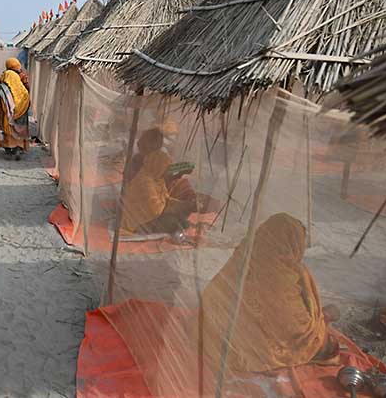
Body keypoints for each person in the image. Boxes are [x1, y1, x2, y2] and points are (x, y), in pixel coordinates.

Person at [196, 213, 338, 375]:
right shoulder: (279, 275)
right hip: (238, 344)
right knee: (325, 346)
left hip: (211, 326)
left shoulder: (249, 250)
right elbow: (293, 327)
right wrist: (320, 324)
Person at [119, 149, 195, 238]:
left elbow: (166, 198)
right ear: (157, 166)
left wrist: (182, 204)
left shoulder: (158, 179)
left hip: (153, 216)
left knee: (183, 221)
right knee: (173, 222)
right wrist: (178, 207)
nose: (166, 171)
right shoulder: (145, 182)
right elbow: (155, 211)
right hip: (139, 221)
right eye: (165, 168)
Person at [0, 58, 31, 158]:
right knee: (20, 125)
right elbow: (27, 89)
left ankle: (9, 146)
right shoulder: (21, 75)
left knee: (8, 125)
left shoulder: (5, 75)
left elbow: (1, 90)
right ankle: (19, 146)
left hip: (7, 106)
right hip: (22, 105)